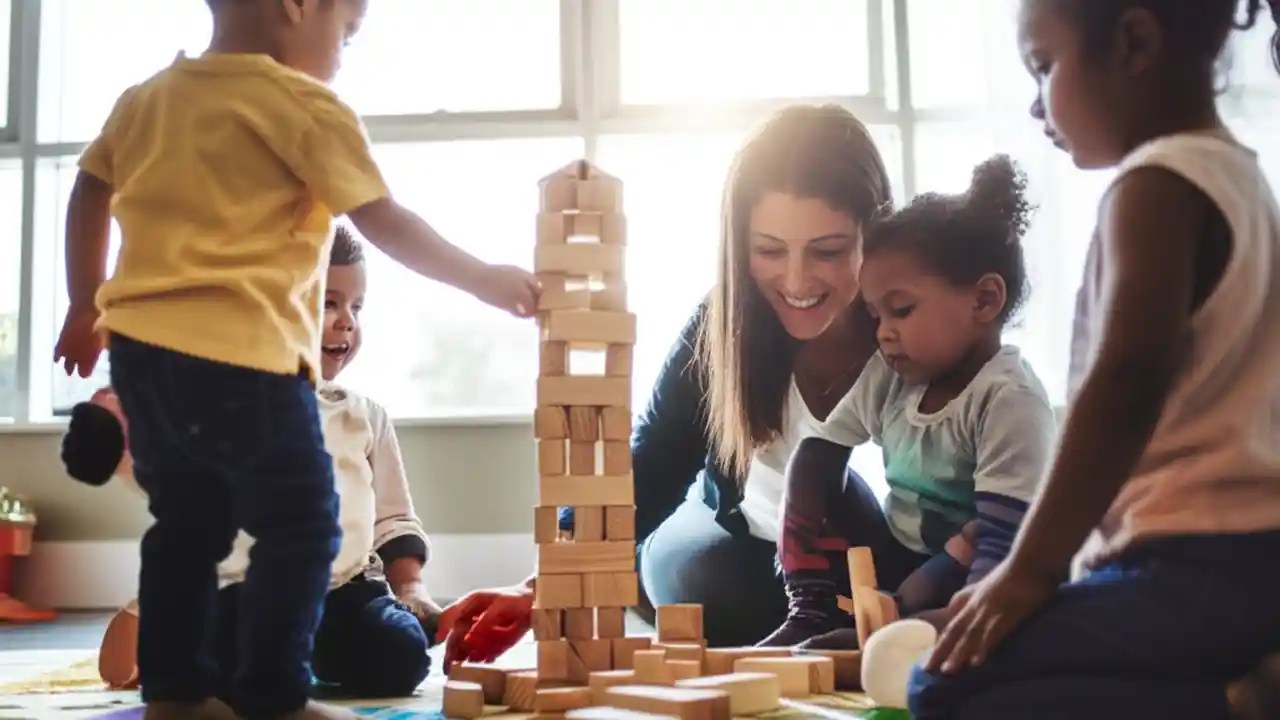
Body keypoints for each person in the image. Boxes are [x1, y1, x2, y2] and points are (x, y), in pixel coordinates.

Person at [51, 2, 538, 718]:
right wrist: (482, 278)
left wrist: (82, 301)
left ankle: (175, 695)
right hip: (244, 358)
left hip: (144, 357)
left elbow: (89, 189)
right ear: (299, 6)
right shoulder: (304, 105)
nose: (342, 51)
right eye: (345, 32)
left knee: (185, 524)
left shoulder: (147, 99)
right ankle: (275, 695)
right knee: (307, 524)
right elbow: (386, 220)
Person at [908, 1, 1280, 718]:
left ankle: (1231, 702)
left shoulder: (1158, 184)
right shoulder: (1243, 180)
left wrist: (1030, 568)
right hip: (1251, 562)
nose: (1035, 101)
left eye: (1044, 66)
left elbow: (1124, 383)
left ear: (1134, 42)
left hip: (1197, 564)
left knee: (942, 685)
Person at [436, 103, 894, 664]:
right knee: (704, 583)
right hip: (732, 538)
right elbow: (653, 462)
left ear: (874, 232)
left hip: (847, 544)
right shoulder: (723, 325)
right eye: (769, 250)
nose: (796, 281)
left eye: (828, 251)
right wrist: (543, 588)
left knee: (877, 564)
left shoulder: (912, 321)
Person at [75, 228, 439, 700]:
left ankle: (299, 655)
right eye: (327, 303)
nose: (346, 322)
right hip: (252, 590)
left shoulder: (364, 415)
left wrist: (411, 588)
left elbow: (393, 517)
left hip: (347, 590)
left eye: (356, 306)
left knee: (400, 654)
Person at [758, 156, 1055, 649]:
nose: (883, 333)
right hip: (901, 553)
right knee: (815, 461)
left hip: (982, 571)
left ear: (983, 301)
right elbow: (821, 452)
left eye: (901, 310)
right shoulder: (890, 375)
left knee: (978, 569)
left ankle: (932, 630)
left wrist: (940, 587)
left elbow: (1008, 539)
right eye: (875, 315)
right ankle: (811, 608)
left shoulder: (1008, 399)